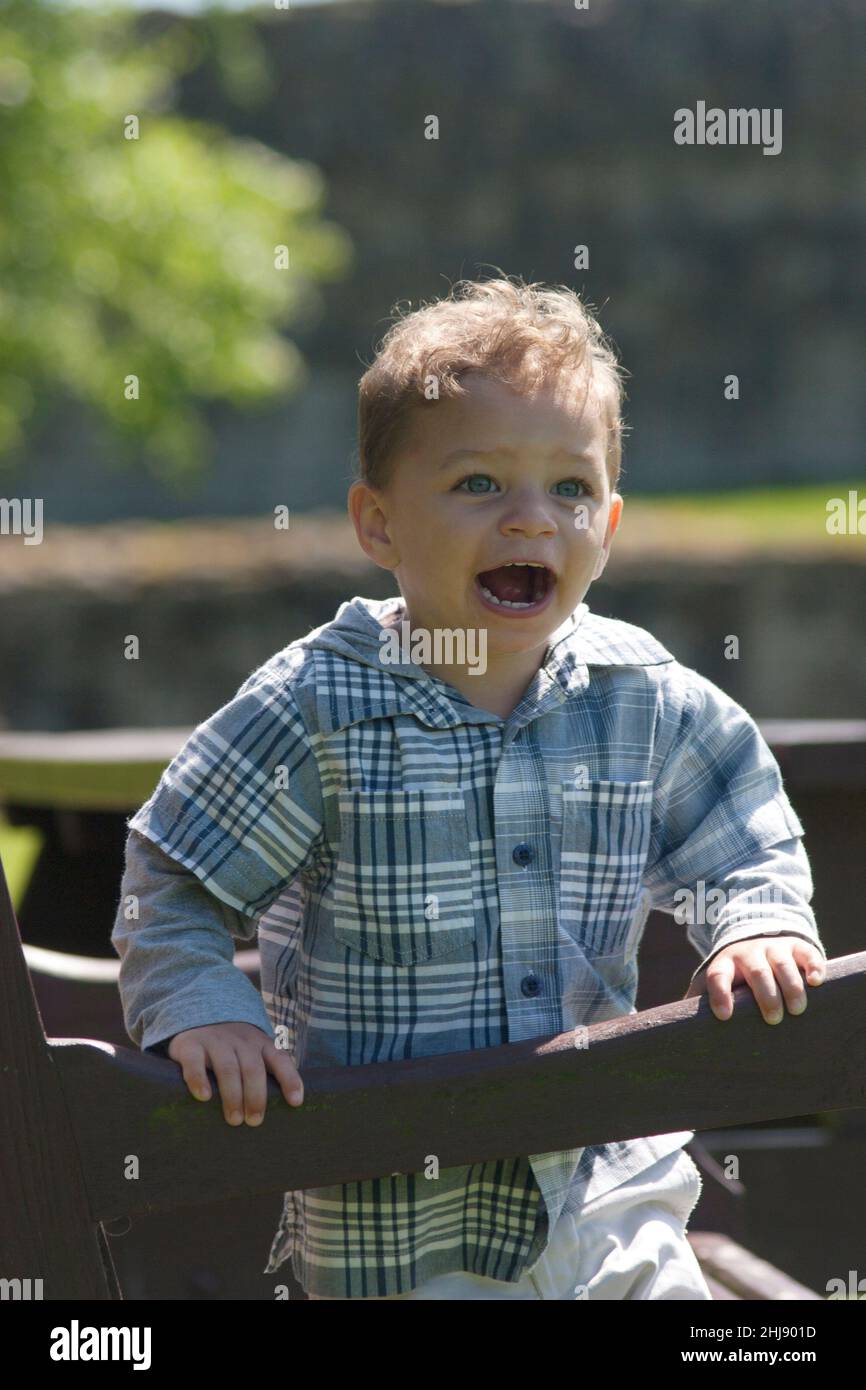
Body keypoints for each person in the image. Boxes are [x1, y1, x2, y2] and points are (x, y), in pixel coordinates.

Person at [112, 274, 827, 1300]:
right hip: (398, 1225)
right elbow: (172, 878)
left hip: (602, 1194)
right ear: (378, 524)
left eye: (568, 489)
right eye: (479, 484)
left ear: (609, 523)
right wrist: (204, 1006)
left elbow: (740, 833)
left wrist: (753, 921)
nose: (531, 519)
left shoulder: (642, 697)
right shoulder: (321, 707)